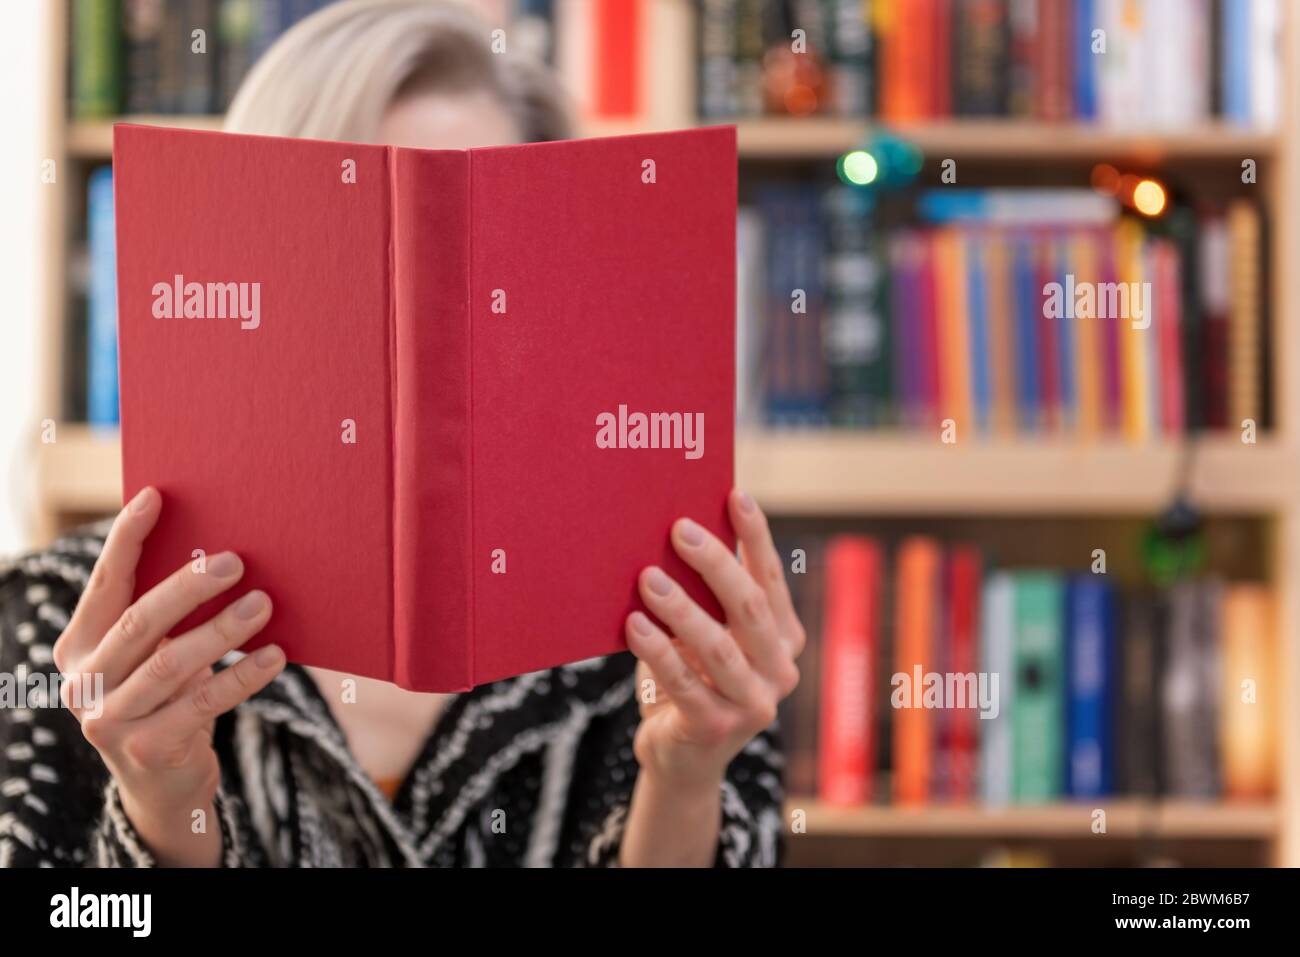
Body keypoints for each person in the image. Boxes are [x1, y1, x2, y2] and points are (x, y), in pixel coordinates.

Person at [0, 0, 803, 868]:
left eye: (482, 259)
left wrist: (682, 778)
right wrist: (162, 805)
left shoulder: (667, 625)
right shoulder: (56, 619)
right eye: (357, 250)